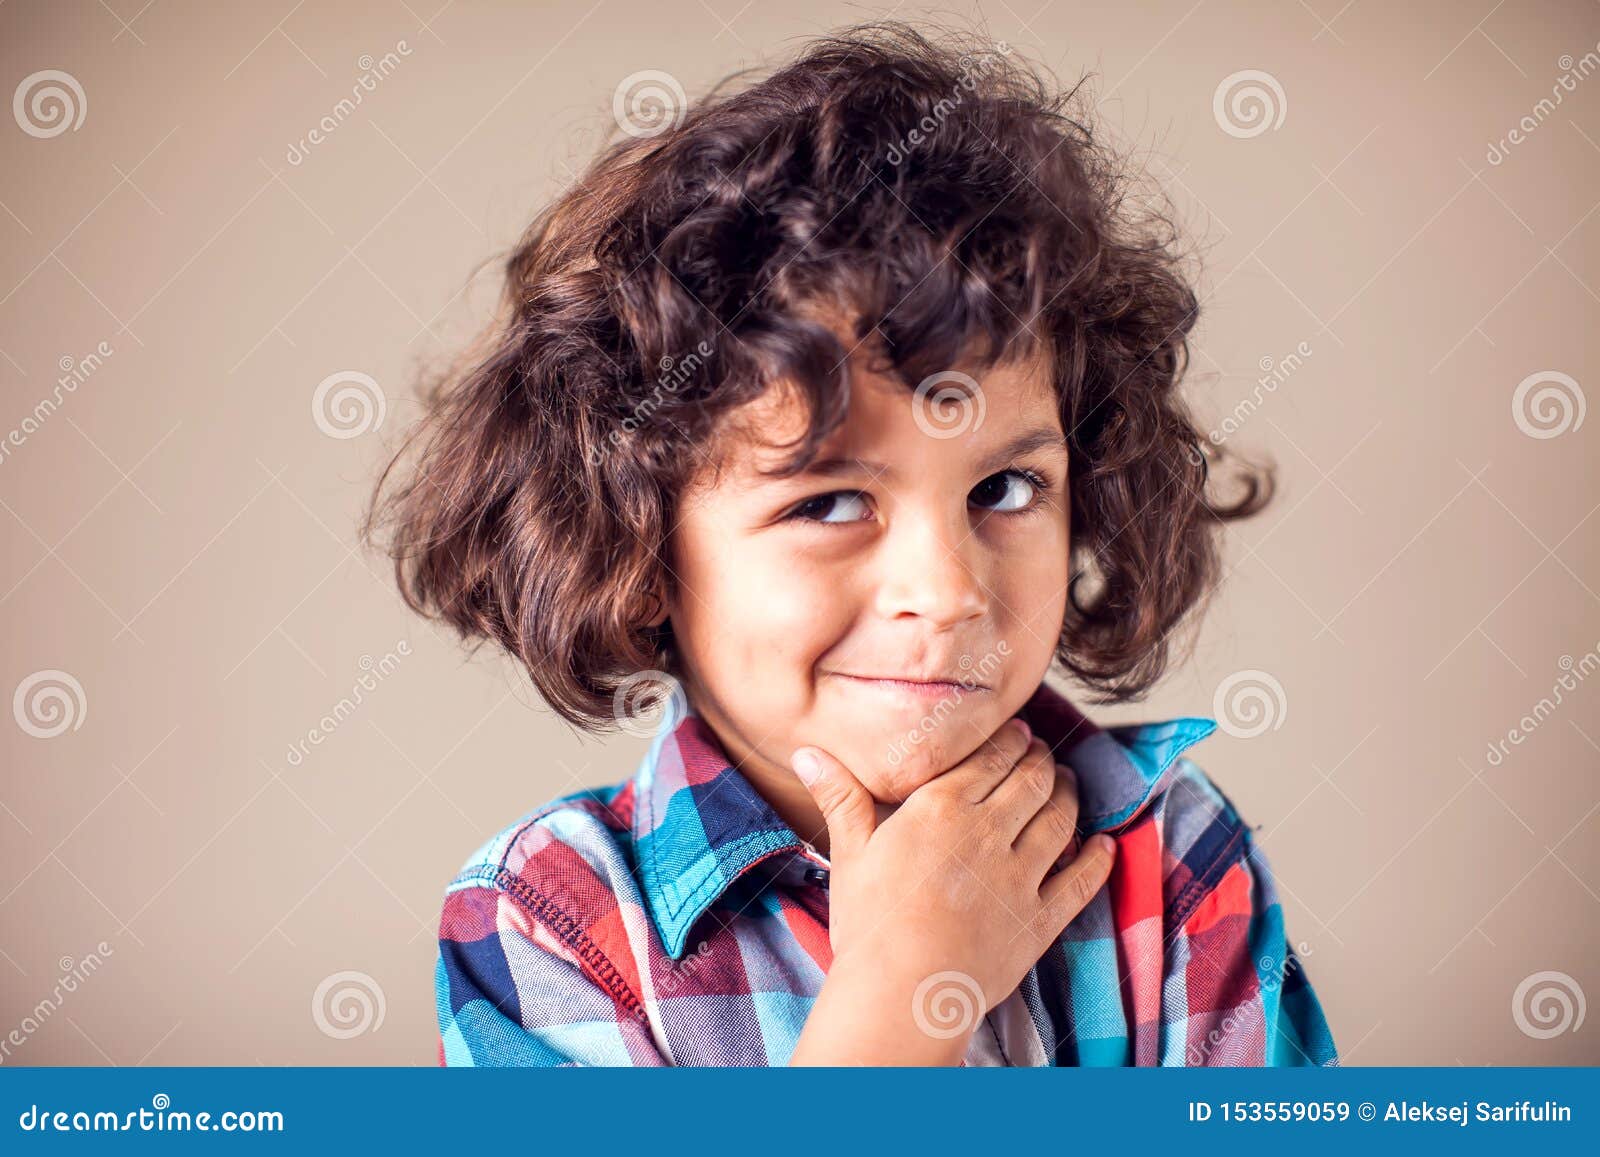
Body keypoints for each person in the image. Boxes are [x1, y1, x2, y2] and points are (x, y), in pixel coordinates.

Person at [366, 20, 1338, 1066]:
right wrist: (903, 998)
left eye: (1004, 488)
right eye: (830, 503)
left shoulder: (1174, 851)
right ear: (638, 553)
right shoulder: (547, 920)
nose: (949, 590)